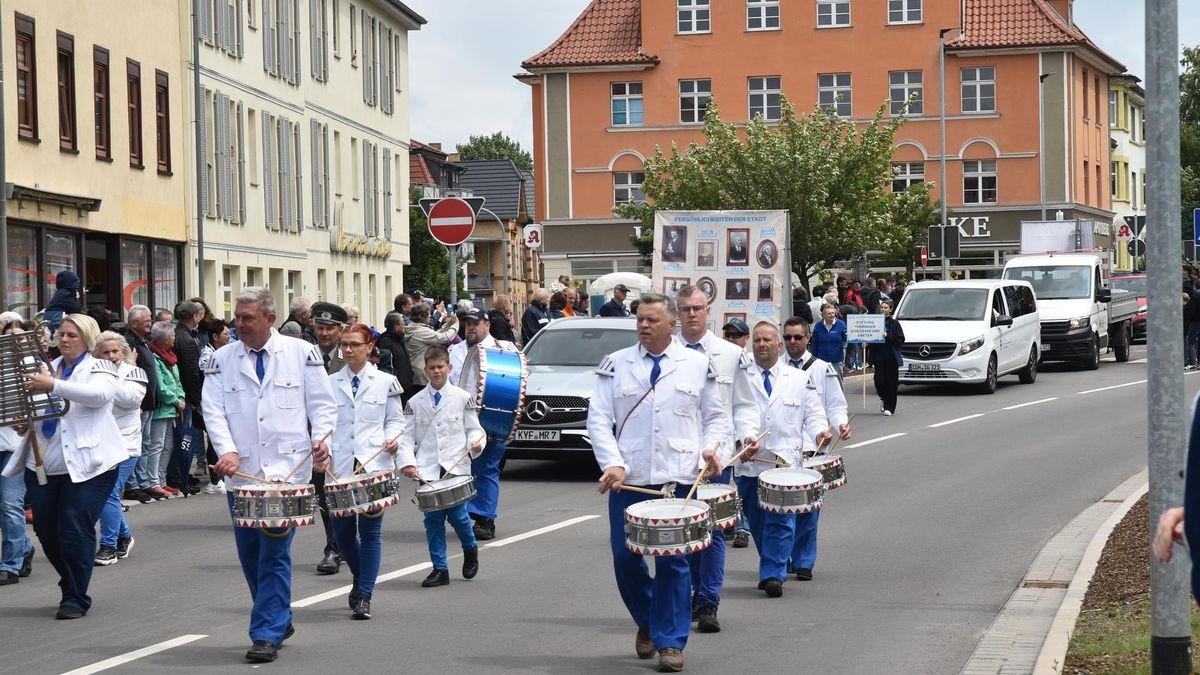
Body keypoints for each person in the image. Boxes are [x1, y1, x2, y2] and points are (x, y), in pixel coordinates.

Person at [586, 292, 728, 673]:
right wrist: (612, 463)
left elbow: (716, 417)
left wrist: (711, 450)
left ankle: (670, 642)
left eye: (652, 320)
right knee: (625, 558)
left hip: (678, 481)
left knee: (674, 564)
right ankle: (649, 617)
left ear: (671, 325)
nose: (644, 326)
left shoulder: (697, 365)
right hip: (630, 482)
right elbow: (597, 419)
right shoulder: (616, 364)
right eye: (640, 320)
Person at [204, 287, 337, 663]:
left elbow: (323, 406)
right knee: (250, 555)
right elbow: (214, 411)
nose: (239, 325)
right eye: (237, 318)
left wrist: (320, 440)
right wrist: (225, 450)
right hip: (244, 474)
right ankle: (279, 616)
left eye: (248, 319)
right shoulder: (221, 358)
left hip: (287, 473)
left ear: (270, 319)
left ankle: (265, 631)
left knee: (274, 551)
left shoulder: (301, 353)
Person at [4, 314, 126, 618]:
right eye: (62, 333)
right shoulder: (49, 368)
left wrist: (53, 385)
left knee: (73, 525)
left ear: (87, 338)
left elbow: (100, 396)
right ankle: (71, 579)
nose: (65, 339)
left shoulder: (99, 366)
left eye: (72, 334)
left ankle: (74, 596)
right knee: (46, 530)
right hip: (45, 464)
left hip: (90, 465)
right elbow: (42, 409)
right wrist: (25, 423)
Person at [731, 321, 829, 599]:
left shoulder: (797, 378)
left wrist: (820, 431)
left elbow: (813, 414)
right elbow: (731, 415)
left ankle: (773, 573)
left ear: (779, 345)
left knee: (782, 520)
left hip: (785, 465)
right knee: (759, 523)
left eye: (767, 340)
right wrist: (742, 441)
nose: (762, 344)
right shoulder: (741, 377)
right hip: (751, 464)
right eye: (757, 340)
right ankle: (775, 558)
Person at [675, 285, 742, 634]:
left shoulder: (730, 354)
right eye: (685, 309)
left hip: (717, 458)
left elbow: (743, 404)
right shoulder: (667, 355)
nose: (692, 315)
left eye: (697, 308)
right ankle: (685, 593)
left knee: (713, 530)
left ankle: (708, 600)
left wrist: (745, 436)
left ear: (708, 310)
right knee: (682, 532)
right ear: (677, 313)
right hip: (677, 459)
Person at [328, 323, 405, 620]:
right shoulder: (330, 381)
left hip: (374, 465)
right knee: (343, 534)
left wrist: (393, 439)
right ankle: (360, 578)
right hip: (341, 467)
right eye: (344, 344)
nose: (347, 349)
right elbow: (323, 422)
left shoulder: (385, 381)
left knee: (370, 532)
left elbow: (396, 421)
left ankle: (365, 595)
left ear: (369, 347)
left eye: (354, 344)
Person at [397, 346, 485, 588]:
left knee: (458, 516)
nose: (436, 372)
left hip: (455, 466)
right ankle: (440, 568)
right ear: (425, 370)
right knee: (433, 521)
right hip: (427, 470)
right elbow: (406, 437)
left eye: (440, 367)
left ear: (449, 368)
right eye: (432, 368)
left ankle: (470, 548)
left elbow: (474, 428)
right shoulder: (415, 402)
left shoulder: (462, 397)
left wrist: (475, 443)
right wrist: (407, 463)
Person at [781, 317, 851, 581]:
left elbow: (835, 404)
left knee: (809, 511)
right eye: (788, 337)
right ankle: (781, 558)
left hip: (813, 447)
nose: (792, 342)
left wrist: (841, 424)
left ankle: (803, 561)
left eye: (797, 337)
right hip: (783, 449)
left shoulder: (823, 368)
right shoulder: (776, 368)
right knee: (781, 509)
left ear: (808, 338)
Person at [448, 309, 518, 540]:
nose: (470, 327)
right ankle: (460, 513)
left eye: (475, 323)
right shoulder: (454, 350)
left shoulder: (505, 349)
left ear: (487, 324)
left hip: (491, 416)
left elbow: (518, 382)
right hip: (459, 417)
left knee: (487, 467)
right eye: (466, 323)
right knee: (457, 468)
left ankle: (485, 519)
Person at [92, 331, 147, 566]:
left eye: (116, 351)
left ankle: (108, 546)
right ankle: (123, 536)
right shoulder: (92, 373)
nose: (112, 356)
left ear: (123, 352)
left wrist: (108, 378)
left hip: (126, 445)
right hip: (99, 444)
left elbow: (130, 399)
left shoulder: (134, 372)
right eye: (106, 352)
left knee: (109, 493)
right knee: (104, 495)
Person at [310, 301, 349, 574]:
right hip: (316, 439)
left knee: (347, 495)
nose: (324, 334)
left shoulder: (351, 356)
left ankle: (346, 541)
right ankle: (333, 546)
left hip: (347, 437)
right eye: (320, 327)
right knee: (324, 494)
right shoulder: (304, 356)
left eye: (329, 329)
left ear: (340, 330)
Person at [0, 323, 35, 586]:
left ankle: (9, 565)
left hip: (15, 447)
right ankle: (24, 547)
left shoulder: (30, 367)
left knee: (11, 505)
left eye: (18, 337)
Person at [122, 305, 161, 503]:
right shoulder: (130, 342)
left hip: (148, 400)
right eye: (146, 320)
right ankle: (133, 485)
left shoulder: (143, 340)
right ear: (134, 323)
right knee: (138, 445)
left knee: (145, 444)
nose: (150, 323)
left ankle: (143, 482)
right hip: (139, 402)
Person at [147, 321, 186, 497]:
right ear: (165, 339)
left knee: (167, 446)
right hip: (162, 408)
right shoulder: (155, 358)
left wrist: (181, 397)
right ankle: (153, 481)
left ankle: (162, 480)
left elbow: (177, 382)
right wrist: (175, 400)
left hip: (172, 408)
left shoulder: (170, 357)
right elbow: (161, 387)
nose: (174, 339)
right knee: (157, 445)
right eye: (172, 336)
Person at [170, 300, 204, 494]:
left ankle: (179, 474)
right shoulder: (188, 340)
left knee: (178, 438)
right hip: (186, 397)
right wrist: (197, 400)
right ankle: (180, 476)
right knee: (185, 438)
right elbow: (192, 373)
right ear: (193, 317)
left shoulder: (177, 335)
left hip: (180, 393)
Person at [199, 319, 231, 495]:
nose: (229, 337)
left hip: (228, 402)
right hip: (213, 402)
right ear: (215, 336)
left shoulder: (226, 351)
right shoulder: (208, 354)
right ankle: (215, 480)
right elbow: (207, 372)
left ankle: (222, 478)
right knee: (214, 440)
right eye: (225, 335)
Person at [406, 303, 459, 387]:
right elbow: (444, 337)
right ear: (423, 316)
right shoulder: (420, 331)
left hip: (415, 371)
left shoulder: (414, 327)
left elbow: (434, 334)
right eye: (429, 314)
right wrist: (456, 325)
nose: (430, 316)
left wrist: (449, 324)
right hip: (421, 376)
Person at [867, 299, 905, 415]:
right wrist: (865, 342)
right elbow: (869, 336)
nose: (883, 309)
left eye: (886, 307)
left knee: (891, 383)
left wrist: (887, 336)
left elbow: (900, 340)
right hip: (878, 357)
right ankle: (883, 398)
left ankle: (889, 407)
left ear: (890, 309)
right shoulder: (874, 322)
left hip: (891, 357)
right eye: (882, 307)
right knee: (879, 381)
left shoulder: (894, 324)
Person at [376, 312, 416, 403]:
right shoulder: (385, 342)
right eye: (403, 324)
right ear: (396, 327)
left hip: (406, 385)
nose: (405, 326)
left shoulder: (400, 339)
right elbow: (386, 366)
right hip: (396, 388)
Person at [812, 305, 848, 385]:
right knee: (822, 384)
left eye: (833, 313)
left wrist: (847, 336)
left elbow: (846, 338)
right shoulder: (818, 326)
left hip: (837, 360)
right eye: (829, 314)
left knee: (838, 384)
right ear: (823, 315)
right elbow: (815, 343)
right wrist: (813, 359)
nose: (832, 315)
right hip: (821, 361)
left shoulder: (841, 324)